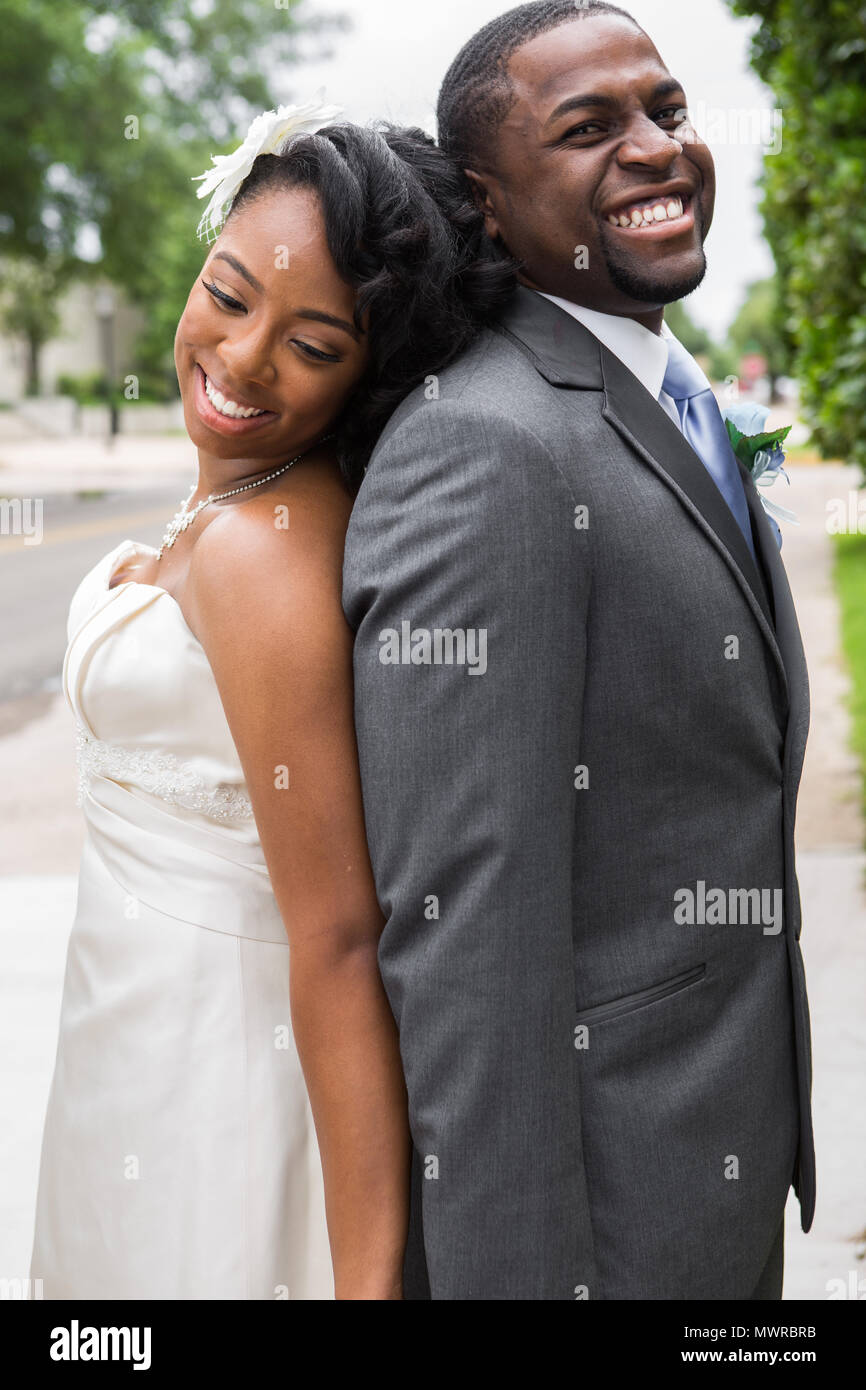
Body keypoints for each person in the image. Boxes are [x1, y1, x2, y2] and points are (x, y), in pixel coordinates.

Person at [342, 1, 814, 1300]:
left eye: (663, 110)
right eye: (588, 129)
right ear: (488, 204)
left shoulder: (657, 391)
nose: (655, 148)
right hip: (599, 1221)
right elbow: (466, 932)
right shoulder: (482, 444)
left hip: (705, 1156)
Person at [28, 104, 514, 1300]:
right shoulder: (243, 503)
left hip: (213, 1089)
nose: (240, 361)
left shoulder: (263, 555)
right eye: (229, 294)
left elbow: (340, 940)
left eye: (311, 344)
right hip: (127, 1046)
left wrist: (364, 1281)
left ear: (369, 369)